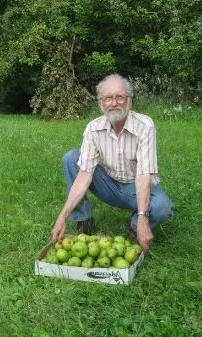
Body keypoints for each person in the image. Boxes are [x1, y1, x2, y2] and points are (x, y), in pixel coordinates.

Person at [51, 74, 174, 251]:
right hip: (108, 184)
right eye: (108, 98)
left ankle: (134, 229)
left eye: (120, 97)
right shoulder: (93, 128)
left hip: (135, 187)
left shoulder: (145, 125)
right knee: (71, 158)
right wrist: (62, 217)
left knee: (162, 206)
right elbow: (85, 174)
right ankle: (83, 221)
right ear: (100, 103)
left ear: (129, 101)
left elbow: (144, 174)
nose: (114, 103)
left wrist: (142, 218)